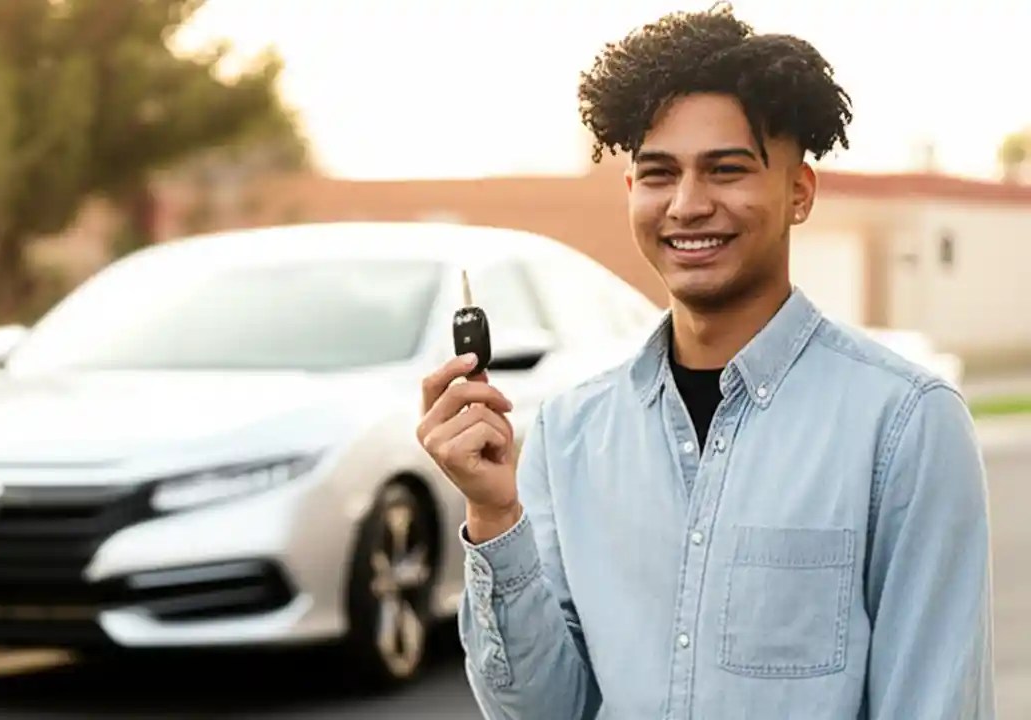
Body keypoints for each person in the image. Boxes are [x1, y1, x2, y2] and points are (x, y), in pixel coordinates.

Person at [416, 4, 996, 719]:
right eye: (659, 174)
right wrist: (494, 511)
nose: (688, 204)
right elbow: (543, 710)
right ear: (632, 193)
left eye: (726, 170)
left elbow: (933, 702)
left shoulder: (906, 424)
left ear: (798, 193)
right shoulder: (568, 432)